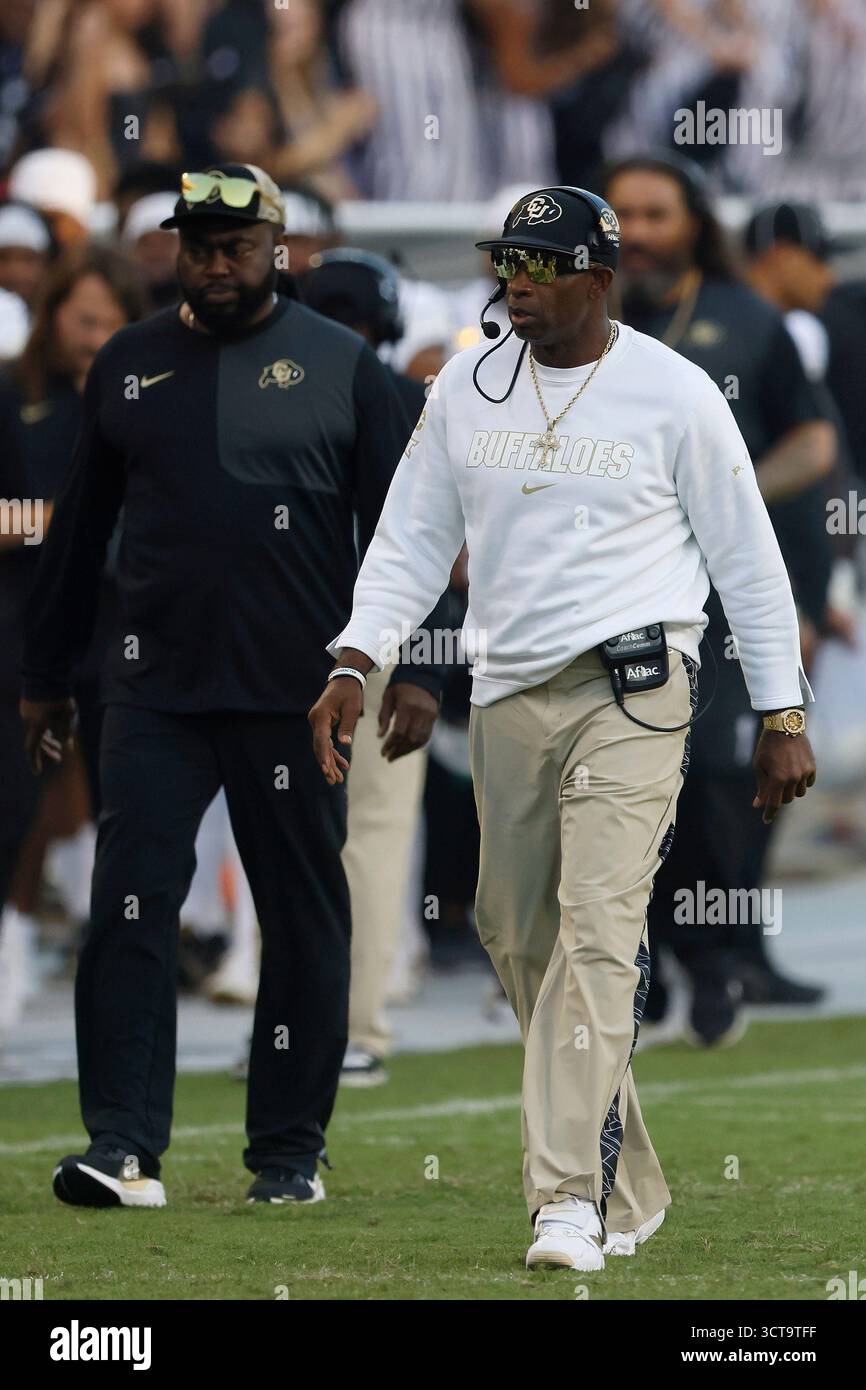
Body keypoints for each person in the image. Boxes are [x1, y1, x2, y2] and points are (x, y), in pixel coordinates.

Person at [309, 185, 816, 1272]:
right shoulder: (464, 390)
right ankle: (627, 1177)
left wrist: (781, 710)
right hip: (506, 691)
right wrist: (357, 655)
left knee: (596, 928)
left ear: (599, 274)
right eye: (506, 263)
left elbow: (747, 561)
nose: (516, 284)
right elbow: (406, 538)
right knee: (516, 934)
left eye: (540, 266)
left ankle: (566, 1203)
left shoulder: (673, 393)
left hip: (635, 689)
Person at [20, 162, 438, 1209]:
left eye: (233, 245)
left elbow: (412, 533)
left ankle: (288, 1152)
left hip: (297, 692)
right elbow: (76, 535)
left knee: (300, 914)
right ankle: (121, 1144)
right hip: (151, 686)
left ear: (277, 249)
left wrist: (420, 663)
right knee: (128, 903)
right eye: (196, 244)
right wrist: (44, 675)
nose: (212, 263)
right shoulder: (126, 363)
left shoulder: (346, 367)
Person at [603, 154, 833, 1037]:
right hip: (608, 596)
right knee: (619, 778)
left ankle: (718, 957)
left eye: (658, 213)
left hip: (723, 603)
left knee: (708, 772)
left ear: (695, 220)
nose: (642, 232)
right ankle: (643, 956)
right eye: (624, 215)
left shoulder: (744, 317)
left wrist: (725, 496)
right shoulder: (577, 325)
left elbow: (814, 445)